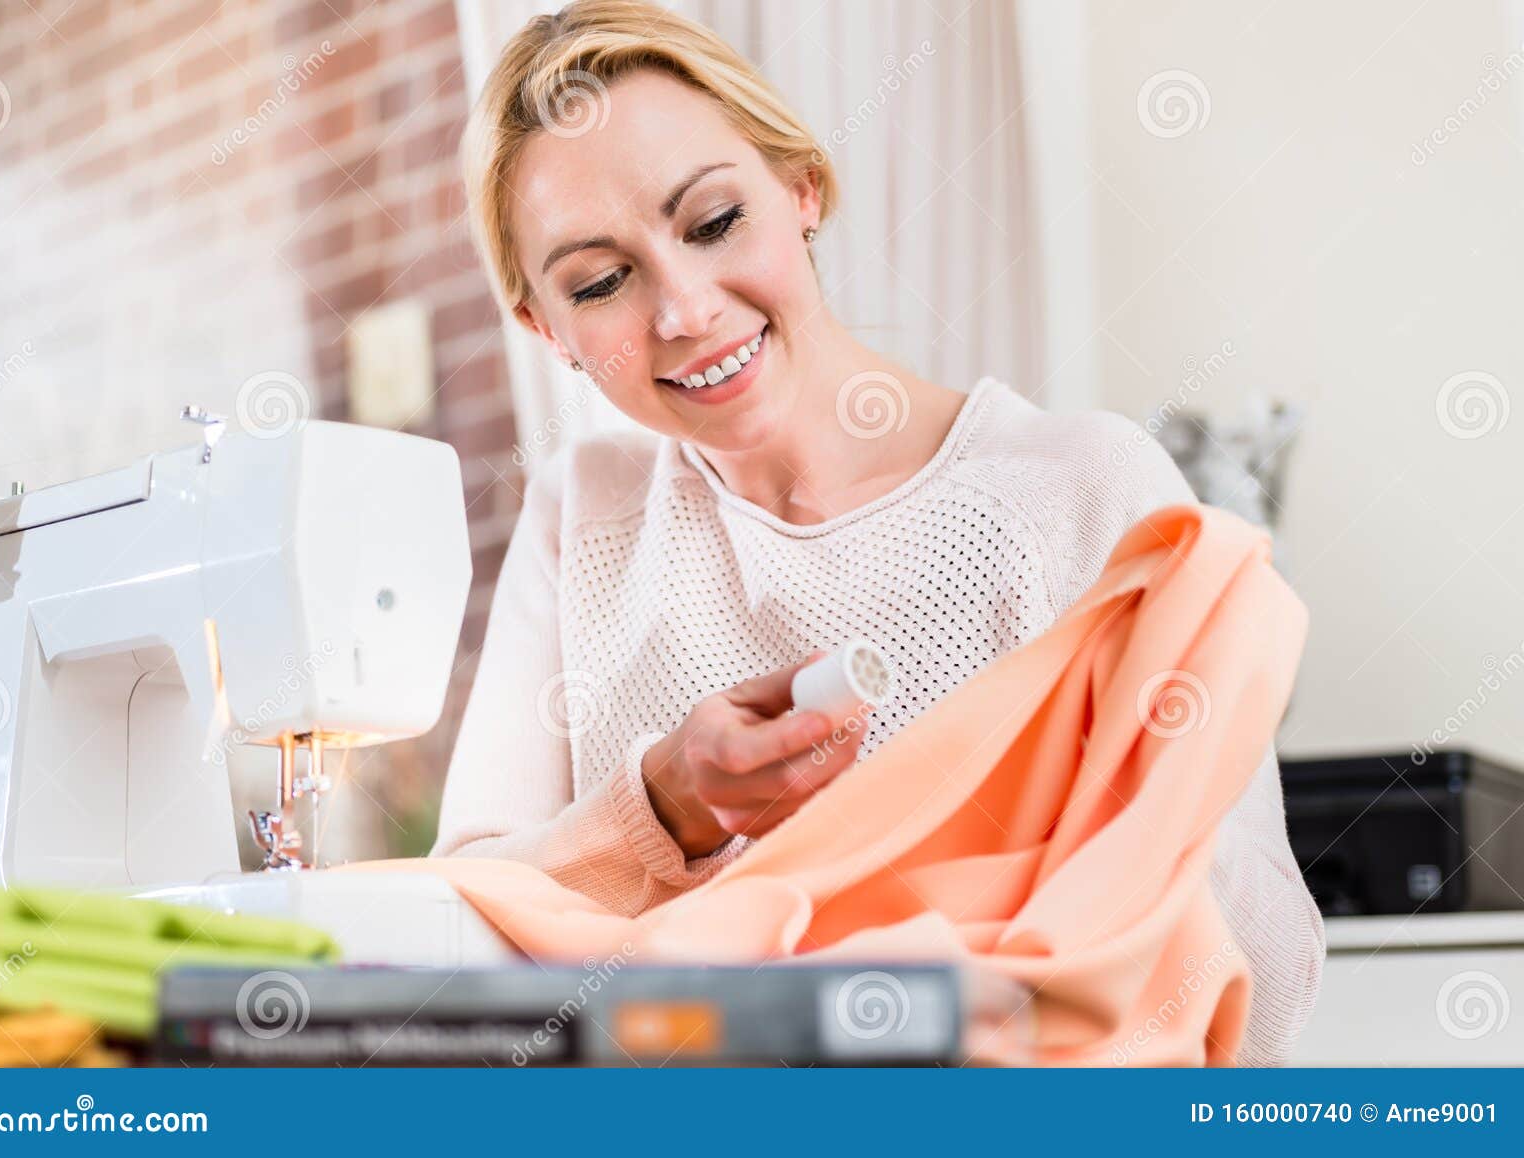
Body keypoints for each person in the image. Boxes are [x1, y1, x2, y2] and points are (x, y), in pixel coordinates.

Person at [436, 0, 1324, 1065]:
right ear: (548, 331)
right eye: (600, 282)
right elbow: (462, 927)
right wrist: (663, 805)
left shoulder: (1081, 487)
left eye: (714, 222)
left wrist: (1157, 814)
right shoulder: (583, 517)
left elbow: (1259, 989)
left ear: (800, 186)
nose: (683, 310)